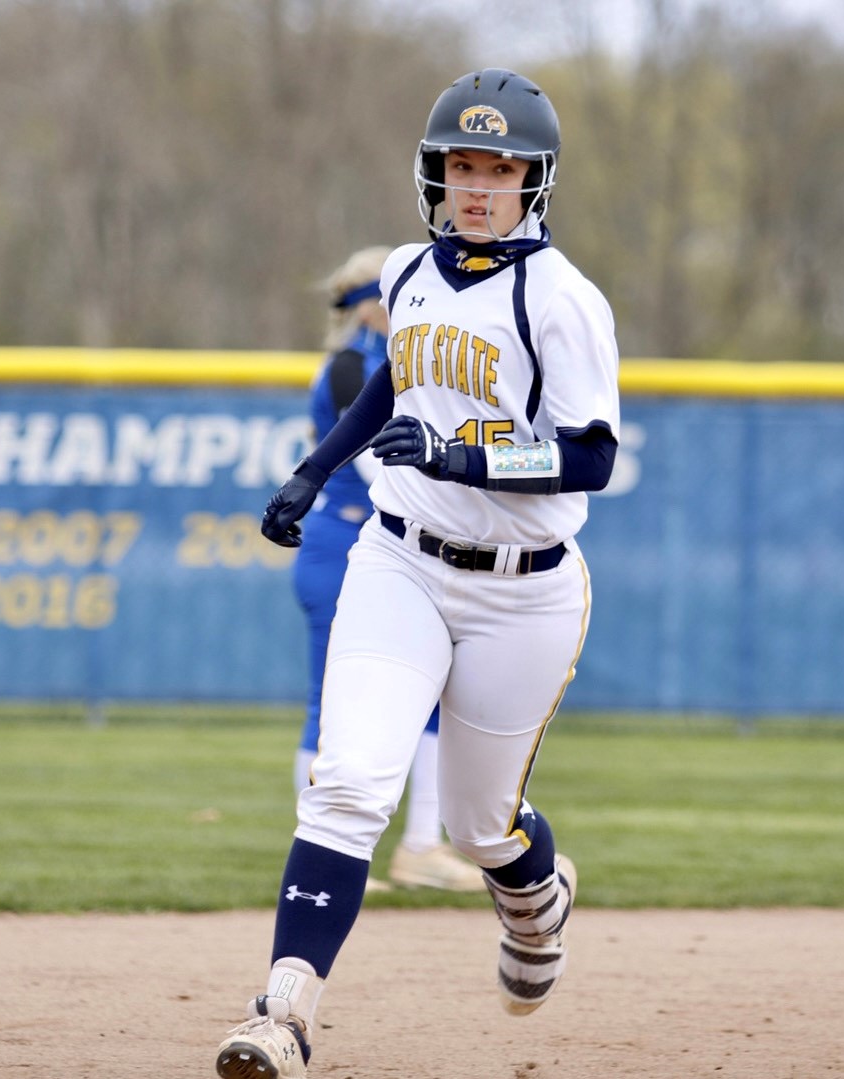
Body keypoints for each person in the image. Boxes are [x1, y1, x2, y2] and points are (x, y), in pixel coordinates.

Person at [218, 68, 621, 1078]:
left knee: (482, 825)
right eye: (461, 166)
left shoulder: (563, 300)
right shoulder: (406, 272)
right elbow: (394, 383)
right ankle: (282, 1014)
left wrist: (462, 457)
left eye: (500, 170)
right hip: (399, 559)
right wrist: (314, 471)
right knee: (350, 782)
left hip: (525, 588)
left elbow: (591, 455)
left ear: (535, 182)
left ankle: (536, 902)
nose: (477, 187)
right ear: (432, 173)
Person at [292, 246, 485, 895]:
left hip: (398, 545)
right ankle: (319, 850)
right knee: (331, 703)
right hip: (345, 539)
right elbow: (378, 466)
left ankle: (421, 847)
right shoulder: (353, 365)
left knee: (431, 699)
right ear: (371, 301)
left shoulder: (404, 359)